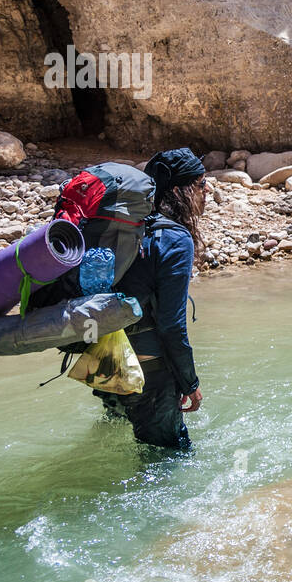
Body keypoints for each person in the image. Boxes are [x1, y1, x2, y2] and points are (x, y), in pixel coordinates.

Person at [96, 148, 207, 450]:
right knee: (167, 460)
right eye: (201, 185)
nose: (206, 193)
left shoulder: (123, 229)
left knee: (112, 434)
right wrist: (190, 383)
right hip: (147, 371)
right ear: (179, 191)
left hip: (106, 358)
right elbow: (171, 325)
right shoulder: (174, 239)